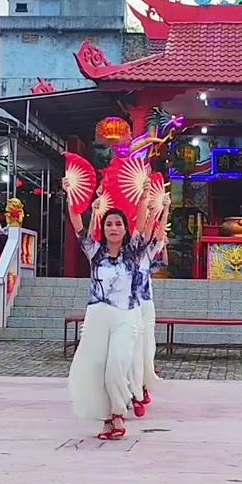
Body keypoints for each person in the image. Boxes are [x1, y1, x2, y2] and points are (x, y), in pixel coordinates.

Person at [65, 189, 156, 440]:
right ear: (103, 229)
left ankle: (119, 408)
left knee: (117, 366)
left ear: (125, 230)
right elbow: (76, 222)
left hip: (125, 316)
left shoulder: (134, 253)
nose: (113, 227)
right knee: (96, 366)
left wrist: (143, 199)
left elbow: (142, 226)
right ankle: (110, 418)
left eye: (118, 224)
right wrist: (70, 195)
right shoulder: (94, 252)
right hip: (97, 315)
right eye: (108, 224)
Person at [128, 218, 167, 417]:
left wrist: (162, 209)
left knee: (144, 349)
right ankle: (130, 391)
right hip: (126, 307)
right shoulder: (124, 255)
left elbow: (158, 235)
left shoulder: (149, 254)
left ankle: (140, 387)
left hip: (145, 306)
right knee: (128, 351)